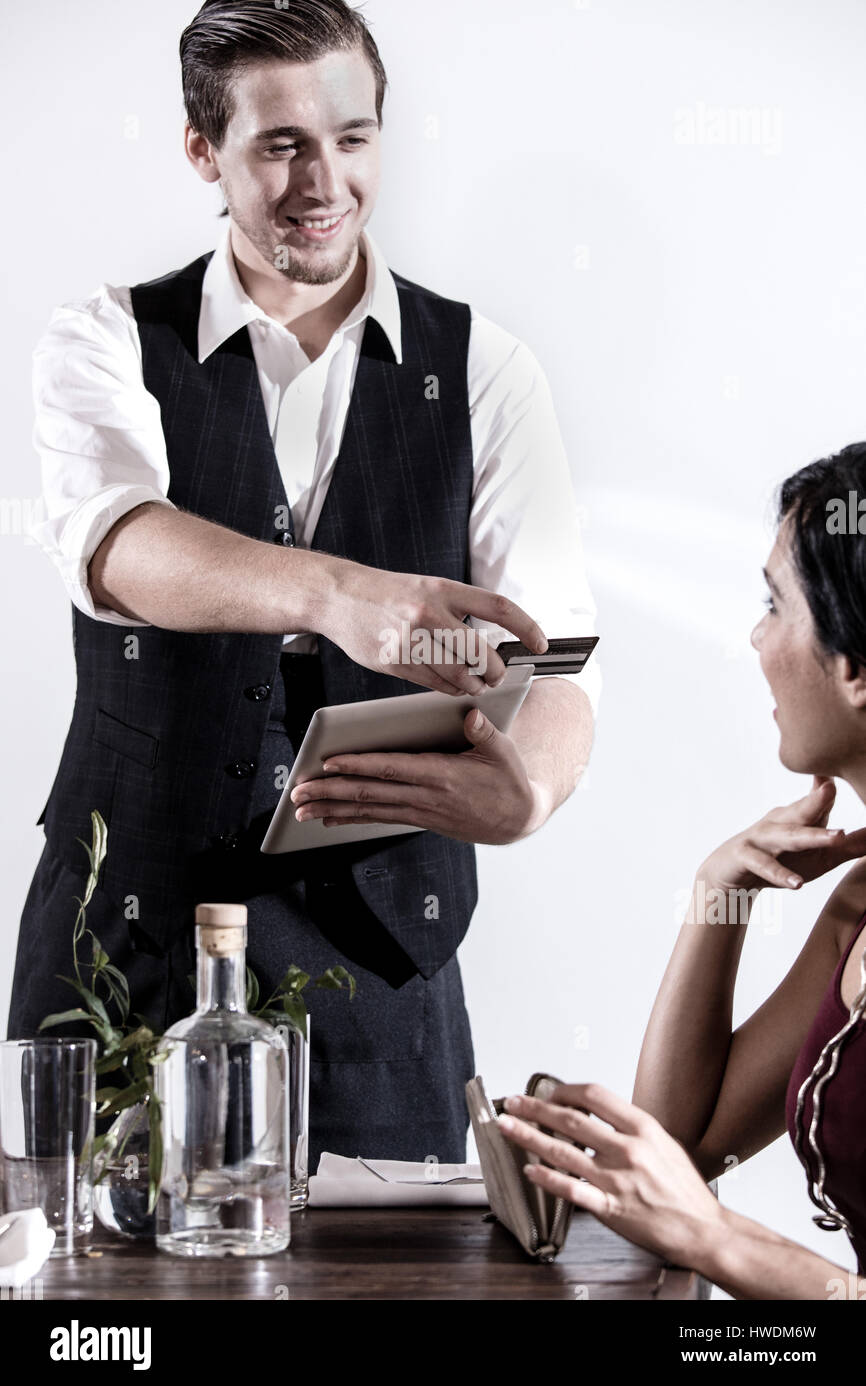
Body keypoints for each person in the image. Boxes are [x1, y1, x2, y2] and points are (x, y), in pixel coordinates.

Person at [8, 0, 598, 1171]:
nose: (322, 182)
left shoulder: (484, 368)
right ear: (202, 151)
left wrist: (531, 792)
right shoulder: (104, 342)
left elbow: (558, 660)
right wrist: (342, 596)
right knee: (87, 1296)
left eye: (353, 139)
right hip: (121, 946)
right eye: (280, 145)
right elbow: (119, 547)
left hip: (382, 960)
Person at [499, 442, 866, 1299]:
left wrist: (720, 1241)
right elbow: (685, 1148)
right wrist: (717, 899)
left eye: (774, 604)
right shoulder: (859, 903)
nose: (754, 634)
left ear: (854, 669)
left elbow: (689, 1209)